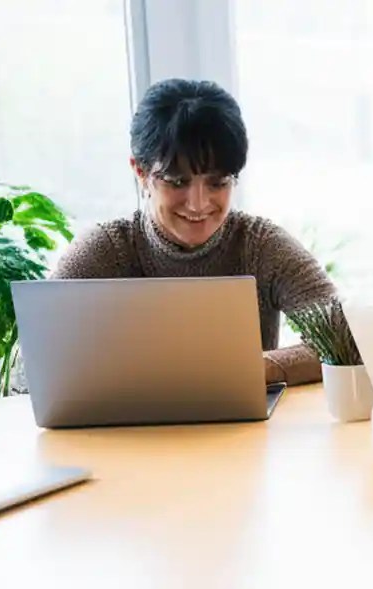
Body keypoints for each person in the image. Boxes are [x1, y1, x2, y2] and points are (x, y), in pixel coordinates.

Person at [53, 78, 336, 386]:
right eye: (177, 182)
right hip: (124, 418)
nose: (198, 204)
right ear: (141, 172)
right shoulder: (106, 251)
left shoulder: (260, 246)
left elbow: (346, 339)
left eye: (218, 183)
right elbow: (31, 367)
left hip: (241, 417)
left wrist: (261, 367)